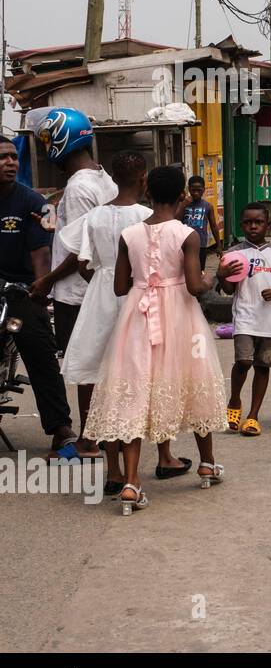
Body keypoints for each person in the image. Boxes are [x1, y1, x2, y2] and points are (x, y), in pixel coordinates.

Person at [82, 165, 236, 514]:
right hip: (180, 317)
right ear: (183, 196)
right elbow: (196, 286)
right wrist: (218, 276)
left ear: (148, 192)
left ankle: (132, 484)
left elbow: (120, 286)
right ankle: (208, 463)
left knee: (133, 391)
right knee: (192, 381)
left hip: (137, 316)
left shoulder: (129, 234)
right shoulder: (187, 235)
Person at [58, 151, 152, 491]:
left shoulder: (95, 216)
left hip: (100, 297)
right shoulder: (147, 216)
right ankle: (131, 469)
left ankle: (110, 466)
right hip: (135, 296)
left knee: (102, 379)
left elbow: (83, 262)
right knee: (132, 379)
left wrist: (101, 281)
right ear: (143, 180)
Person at [29, 107, 116, 453]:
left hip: (77, 292)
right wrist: (55, 228)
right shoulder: (102, 177)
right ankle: (102, 432)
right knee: (100, 363)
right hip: (101, 287)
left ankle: (90, 438)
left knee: (84, 367)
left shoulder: (79, 187)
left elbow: (82, 249)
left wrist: (46, 281)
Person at [0, 136, 80, 458]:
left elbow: (41, 252)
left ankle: (61, 428)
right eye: (2, 158)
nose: (10, 162)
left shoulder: (36, 202)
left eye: (12, 157)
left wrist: (39, 290)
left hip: (20, 290)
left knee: (39, 347)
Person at [221, 202, 271, 437]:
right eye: (248, 222)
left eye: (258, 222)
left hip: (270, 322)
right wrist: (222, 275)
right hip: (244, 318)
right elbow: (229, 289)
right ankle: (234, 400)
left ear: (267, 225)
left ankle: (253, 416)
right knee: (243, 362)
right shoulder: (234, 253)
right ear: (242, 225)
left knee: (262, 367)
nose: (253, 226)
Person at [182, 175, 220, 271]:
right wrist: (183, 205)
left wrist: (219, 246)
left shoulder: (207, 206)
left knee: (199, 270)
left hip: (201, 245)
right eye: (193, 190)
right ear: (188, 189)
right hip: (184, 245)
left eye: (199, 190)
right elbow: (175, 221)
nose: (195, 193)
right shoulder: (183, 204)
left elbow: (214, 226)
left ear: (203, 190)